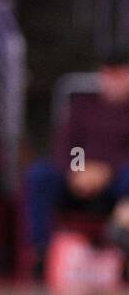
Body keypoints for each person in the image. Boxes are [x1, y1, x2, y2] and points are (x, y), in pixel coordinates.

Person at [26, 49, 129, 272]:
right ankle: (41, 254)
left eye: (119, 75)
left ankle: (122, 244)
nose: (111, 81)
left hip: (118, 179)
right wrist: (78, 170)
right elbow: (66, 145)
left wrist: (107, 171)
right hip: (78, 176)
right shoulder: (84, 105)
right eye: (107, 74)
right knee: (40, 174)